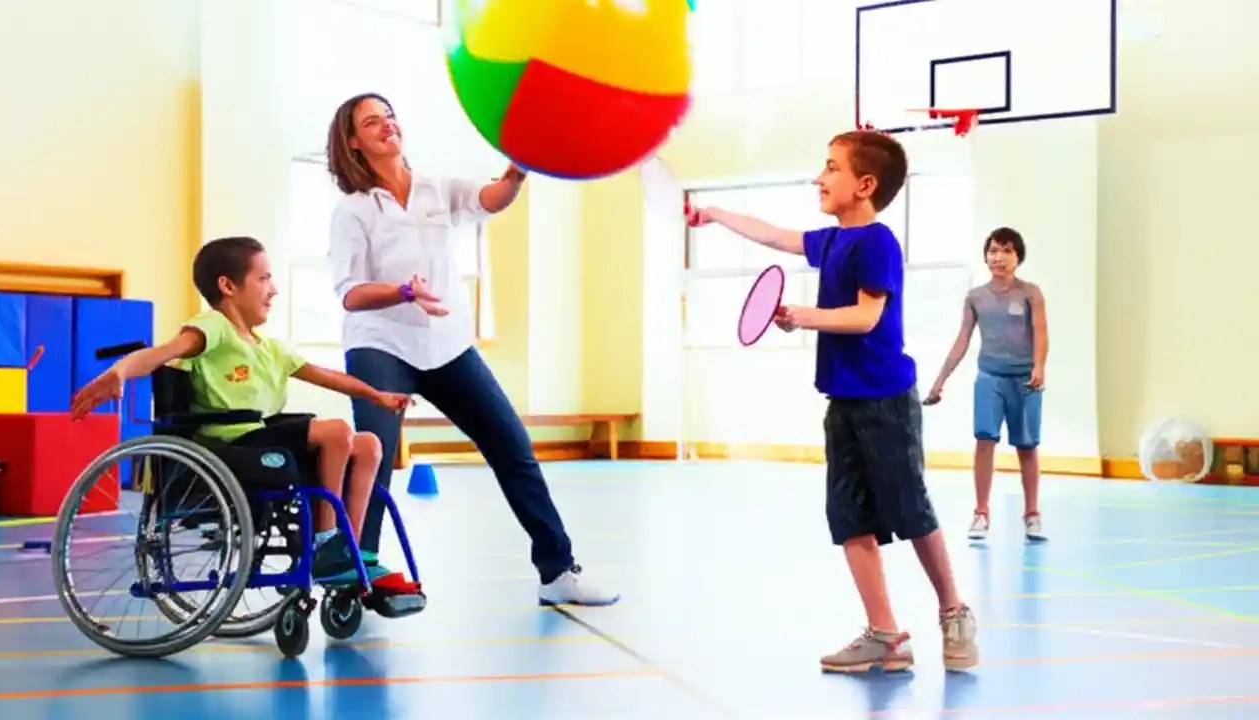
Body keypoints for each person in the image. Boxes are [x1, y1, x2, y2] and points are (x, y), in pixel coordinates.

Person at [684, 130, 978, 673]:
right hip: (842, 402)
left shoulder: (877, 242)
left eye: (831, 168)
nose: (819, 178)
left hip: (886, 402)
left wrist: (802, 316)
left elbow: (866, 316)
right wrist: (717, 214)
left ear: (864, 185)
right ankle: (886, 636)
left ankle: (954, 611)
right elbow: (776, 237)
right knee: (849, 519)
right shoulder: (835, 241)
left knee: (911, 512)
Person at [323, 92, 618, 608]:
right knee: (375, 456)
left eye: (390, 116)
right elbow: (350, 293)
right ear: (353, 142)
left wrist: (519, 173)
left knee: (512, 447)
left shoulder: (438, 188)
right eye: (372, 122)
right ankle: (356, 573)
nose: (386, 125)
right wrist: (402, 291)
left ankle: (557, 571)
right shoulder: (353, 210)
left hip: (447, 345)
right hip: (381, 344)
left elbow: (492, 197)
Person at [71, 236, 413, 585]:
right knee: (338, 431)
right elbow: (162, 352)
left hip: (263, 434)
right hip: (232, 442)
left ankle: (351, 550)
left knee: (369, 444)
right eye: (264, 278)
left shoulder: (270, 349)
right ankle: (325, 543)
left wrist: (377, 396)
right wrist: (120, 371)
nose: (274, 290)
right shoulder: (214, 327)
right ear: (228, 286)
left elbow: (328, 377)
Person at [924, 227, 1048, 542]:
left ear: (1018, 257)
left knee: (1027, 446)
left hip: (1025, 380)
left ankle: (1032, 514)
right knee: (984, 441)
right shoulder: (976, 297)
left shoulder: (1030, 292)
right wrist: (940, 380)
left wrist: (1039, 367)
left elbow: (1041, 332)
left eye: (1006, 251)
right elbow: (962, 339)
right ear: (986, 256)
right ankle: (981, 512)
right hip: (990, 377)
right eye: (993, 250)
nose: (999, 257)